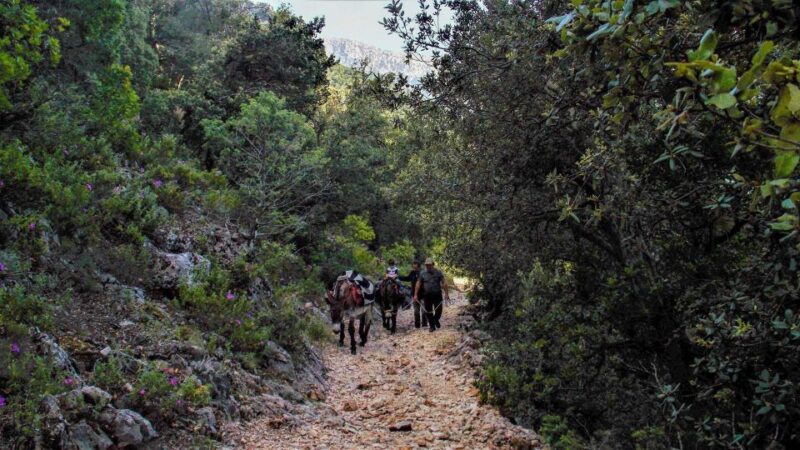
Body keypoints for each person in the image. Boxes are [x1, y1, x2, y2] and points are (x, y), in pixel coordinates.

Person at [413, 258, 449, 332]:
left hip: (437, 295)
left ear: (433, 264)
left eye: (429, 265)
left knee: (439, 311)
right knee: (428, 311)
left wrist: (446, 294)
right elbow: (418, 284)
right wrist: (415, 294)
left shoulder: (439, 272)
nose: (428, 266)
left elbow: (444, 283)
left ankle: (436, 320)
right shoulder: (422, 273)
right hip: (427, 295)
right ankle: (432, 326)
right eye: (427, 265)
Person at [399, 260, 426, 328]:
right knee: (416, 311)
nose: (413, 265)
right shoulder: (412, 272)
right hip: (414, 295)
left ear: (418, 265)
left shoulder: (423, 272)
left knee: (424, 311)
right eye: (413, 264)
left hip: (423, 294)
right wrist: (399, 277)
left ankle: (424, 325)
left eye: (415, 264)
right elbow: (407, 278)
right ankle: (417, 326)